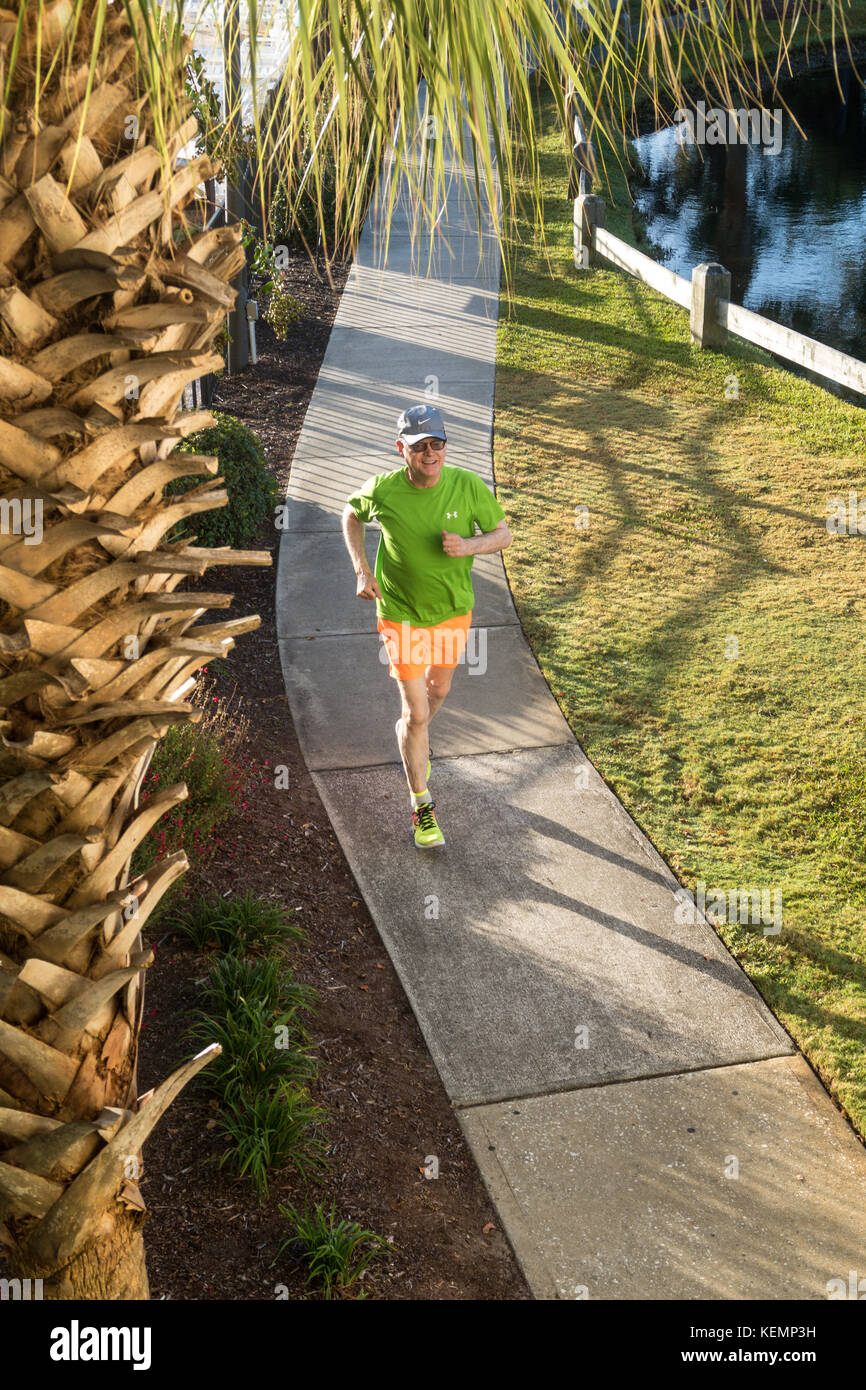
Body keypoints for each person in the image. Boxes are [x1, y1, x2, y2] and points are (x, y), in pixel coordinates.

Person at [341, 404, 512, 848]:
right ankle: (422, 805)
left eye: (437, 443)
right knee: (417, 711)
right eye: (420, 447)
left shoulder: (467, 485)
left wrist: (469, 545)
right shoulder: (385, 489)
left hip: (453, 610)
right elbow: (351, 514)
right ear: (402, 449)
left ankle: (413, 739)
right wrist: (362, 570)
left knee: (438, 694)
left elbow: (503, 534)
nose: (430, 453)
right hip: (400, 614)